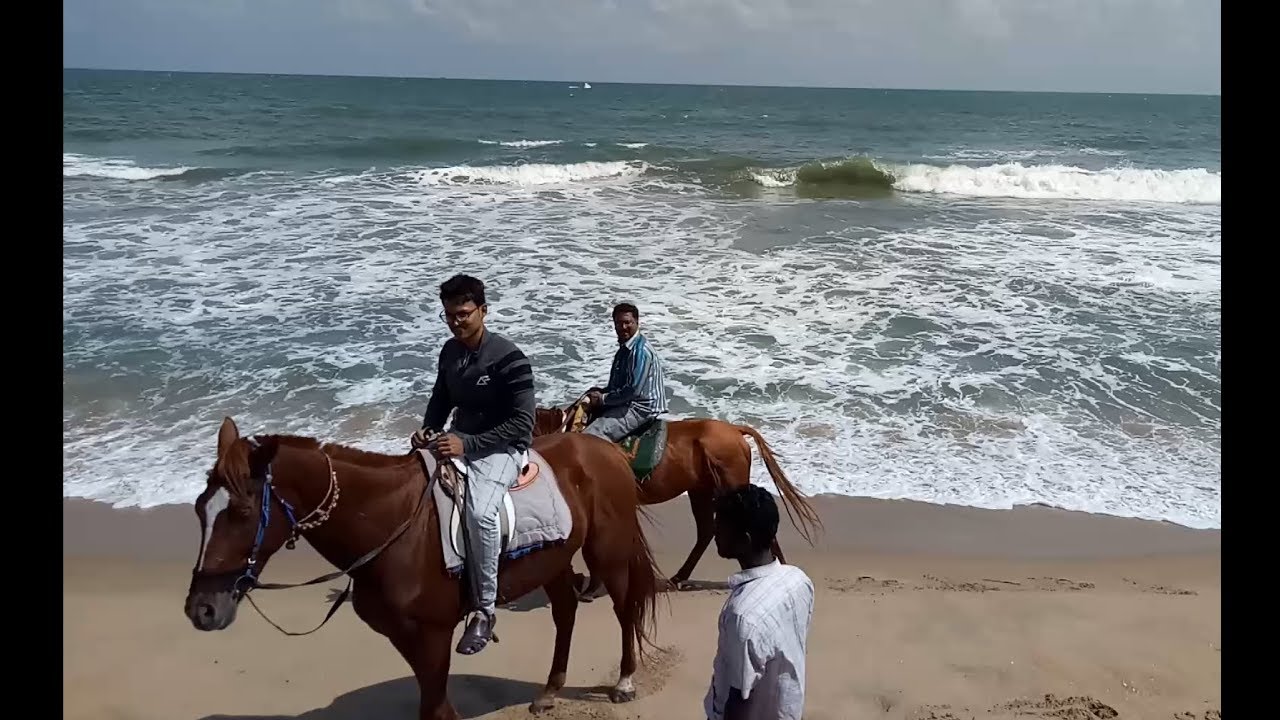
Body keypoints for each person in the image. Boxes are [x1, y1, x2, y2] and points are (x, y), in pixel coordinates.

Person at [411, 274, 535, 656]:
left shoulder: (510, 359)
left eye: (464, 314)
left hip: (503, 449)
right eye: (449, 315)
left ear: (483, 311)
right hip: (459, 438)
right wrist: (429, 429)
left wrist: (468, 444)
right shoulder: (450, 352)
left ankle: (483, 610)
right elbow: (440, 398)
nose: (456, 322)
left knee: (481, 513)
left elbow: (523, 422)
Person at [704, 485, 814, 720]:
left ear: (745, 540)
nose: (714, 533)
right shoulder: (799, 580)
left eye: (720, 528)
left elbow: (741, 698)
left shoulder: (742, 616)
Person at [583, 302, 668, 442]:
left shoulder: (639, 352)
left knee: (589, 436)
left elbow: (632, 391)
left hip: (641, 409)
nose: (623, 327)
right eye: (618, 323)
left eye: (627, 322)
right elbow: (618, 386)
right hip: (628, 403)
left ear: (637, 322)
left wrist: (602, 399)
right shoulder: (625, 349)